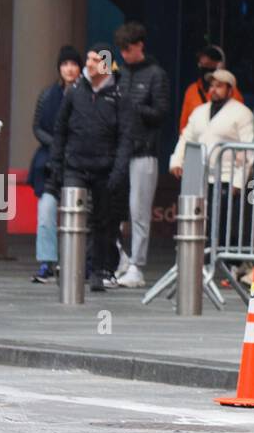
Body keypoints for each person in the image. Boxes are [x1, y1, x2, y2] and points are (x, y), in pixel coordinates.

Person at [48, 43, 133, 292]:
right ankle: (71, 268)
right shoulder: (75, 92)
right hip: (76, 165)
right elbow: (60, 128)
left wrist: (118, 170)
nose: (89, 63)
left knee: (103, 222)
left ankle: (98, 270)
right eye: (89, 58)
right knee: (73, 217)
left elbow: (126, 137)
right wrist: (57, 163)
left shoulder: (119, 96)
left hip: (105, 169)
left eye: (95, 60)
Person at [170, 69, 254, 252]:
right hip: (200, 175)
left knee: (224, 222)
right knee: (200, 219)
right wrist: (177, 160)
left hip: (227, 177)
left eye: (219, 86)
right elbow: (186, 137)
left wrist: (239, 181)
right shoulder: (200, 111)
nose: (214, 89)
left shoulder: (242, 113)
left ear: (230, 89)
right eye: (212, 86)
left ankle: (222, 261)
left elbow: (249, 150)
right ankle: (202, 257)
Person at [113, 21, 170, 289]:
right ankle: (120, 260)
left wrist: (132, 106)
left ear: (140, 46)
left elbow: (160, 113)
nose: (124, 54)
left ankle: (136, 263)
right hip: (120, 152)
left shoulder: (156, 74)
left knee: (139, 211)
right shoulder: (120, 74)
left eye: (128, 49)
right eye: (121, 50)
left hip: (144, 151)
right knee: (113, 208)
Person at [29, 45, 82, 282]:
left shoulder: (85, 94)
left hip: (79, 162)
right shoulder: (48, 95)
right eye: (65, 64)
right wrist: (56, 144)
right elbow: (37, 127)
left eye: (73, 64)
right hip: (50, 162)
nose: (69, 69)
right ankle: (47, 261)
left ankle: (77, 262)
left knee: (81, 215)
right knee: (46, 213)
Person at [178, 44, 242, 133]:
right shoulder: (192, 91)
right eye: (201, 65)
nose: (203, 68)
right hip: (197, 142)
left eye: (208, 65)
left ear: (220, 66)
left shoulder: (231, 92)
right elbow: (184, 125)